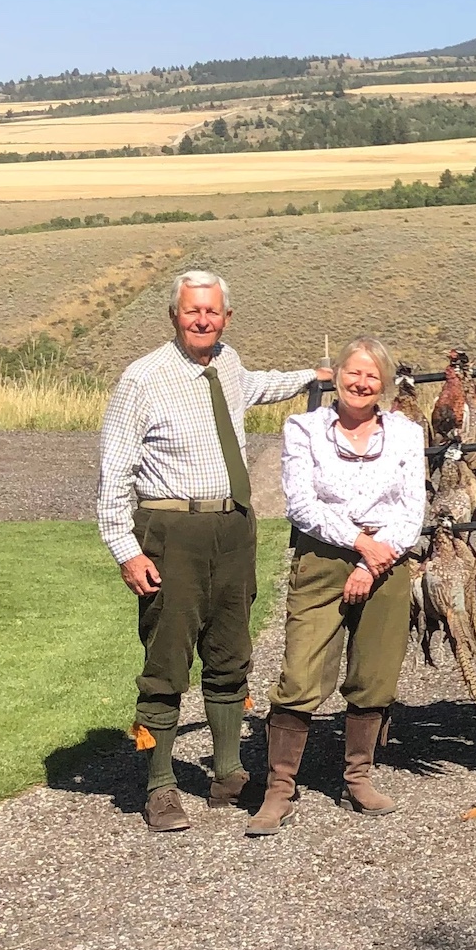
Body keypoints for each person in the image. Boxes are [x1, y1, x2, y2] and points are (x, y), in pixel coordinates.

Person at [96, 269, 329, 832]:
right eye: (192, 311)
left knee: (229, 650)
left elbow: (257, 385)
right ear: (173, 315)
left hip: (233, 530)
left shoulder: (227, 363)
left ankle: (227, 773)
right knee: (168, 658)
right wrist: (127, 550)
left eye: (212, 311)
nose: (202, 320)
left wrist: (312, 377)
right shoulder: (142, 379)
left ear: (227, 317)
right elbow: (113, 474)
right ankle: (159, 785)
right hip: (171, 531)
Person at [252, 336, 425, 835]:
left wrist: (372, 561)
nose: (361, 383)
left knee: (375, 672)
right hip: (323, 557)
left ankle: (358, 778)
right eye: (353, 372)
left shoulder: (406, 434)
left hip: (387, 560)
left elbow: (412, 509)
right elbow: (300, 504)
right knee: (300, 672)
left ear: (384, 384)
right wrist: (357, 543)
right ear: (338, 376)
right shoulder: (303, 428)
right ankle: (279, 789)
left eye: (372, 376)